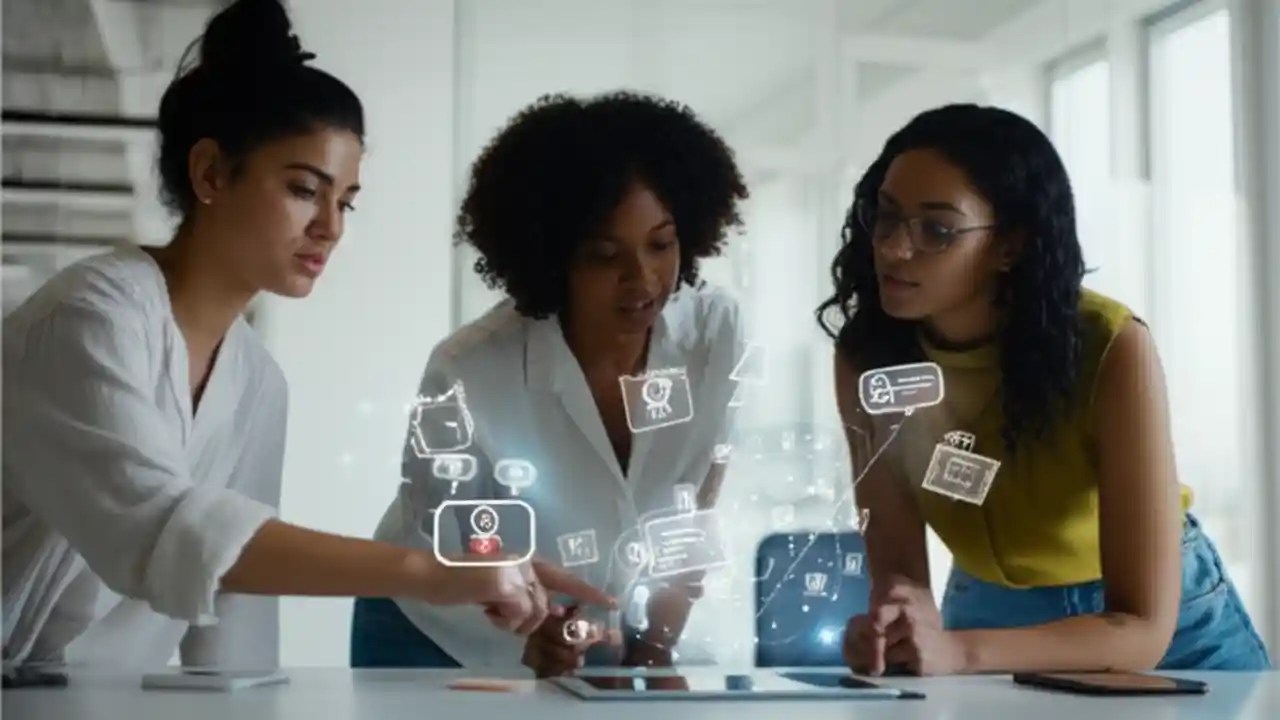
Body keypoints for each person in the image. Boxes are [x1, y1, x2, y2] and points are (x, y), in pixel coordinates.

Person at [1, 0, 607, 680]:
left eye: (344, 201)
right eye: (302, 189)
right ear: (210, 173)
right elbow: (158, 525)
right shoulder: (87, 320)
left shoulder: (256, 380)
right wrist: (431, 571)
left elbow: (233, 621)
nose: (330, 227)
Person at [817, 103, 1272, 675]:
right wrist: (894, 634)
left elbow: (1141, 631)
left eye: (936, 230)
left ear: (1010, 245)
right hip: (987, 612)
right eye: (885, 216)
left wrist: (957, 651)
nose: (892, 248)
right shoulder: (868, 356)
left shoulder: (1110, 345)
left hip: (1168, 627)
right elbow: (901, 579)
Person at [353, 91, 750, 674]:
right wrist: (529, 636)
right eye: (605, 255)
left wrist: (657, 647)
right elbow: (445, 544)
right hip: (437, 632)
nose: (642, 278)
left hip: (593, 631)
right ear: (553, 257)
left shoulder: (714, 333)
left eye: (661, 244)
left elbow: (696, 501)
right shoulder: (468, 370)